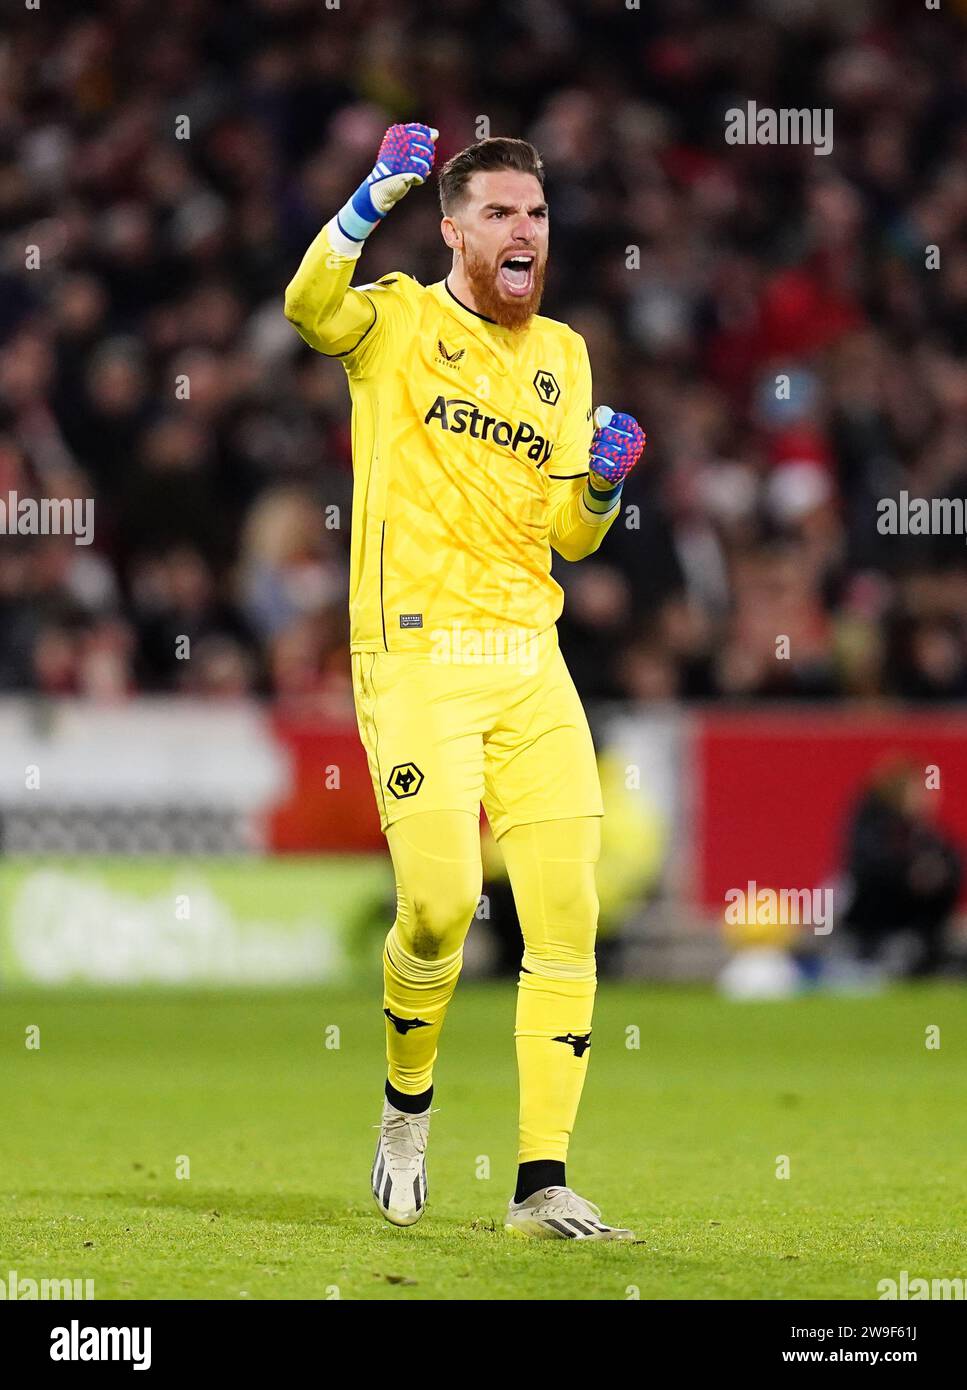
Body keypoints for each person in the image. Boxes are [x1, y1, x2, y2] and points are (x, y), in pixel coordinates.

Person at [284, 124, 645, 1240]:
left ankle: (541, 1186)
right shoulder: (394, 321)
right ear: (450, 229)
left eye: (534, 214)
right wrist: (364, 197)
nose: (522, 230)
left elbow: (568, 538)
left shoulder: (566, 356)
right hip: (417, 656)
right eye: (496, 213)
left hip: (529, 661)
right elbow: (306, 306)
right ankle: (405, 1110)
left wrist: (602, 489)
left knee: (565, 919)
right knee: (438, 909)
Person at [841, 759, 962, 978]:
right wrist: (909, 876)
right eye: (918, 790)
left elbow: (953, 864)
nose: (926, 797)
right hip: (872, 923)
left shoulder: (926, 833)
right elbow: (869, 870)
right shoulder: (873, 828)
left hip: (920, 926)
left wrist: (937, 875)